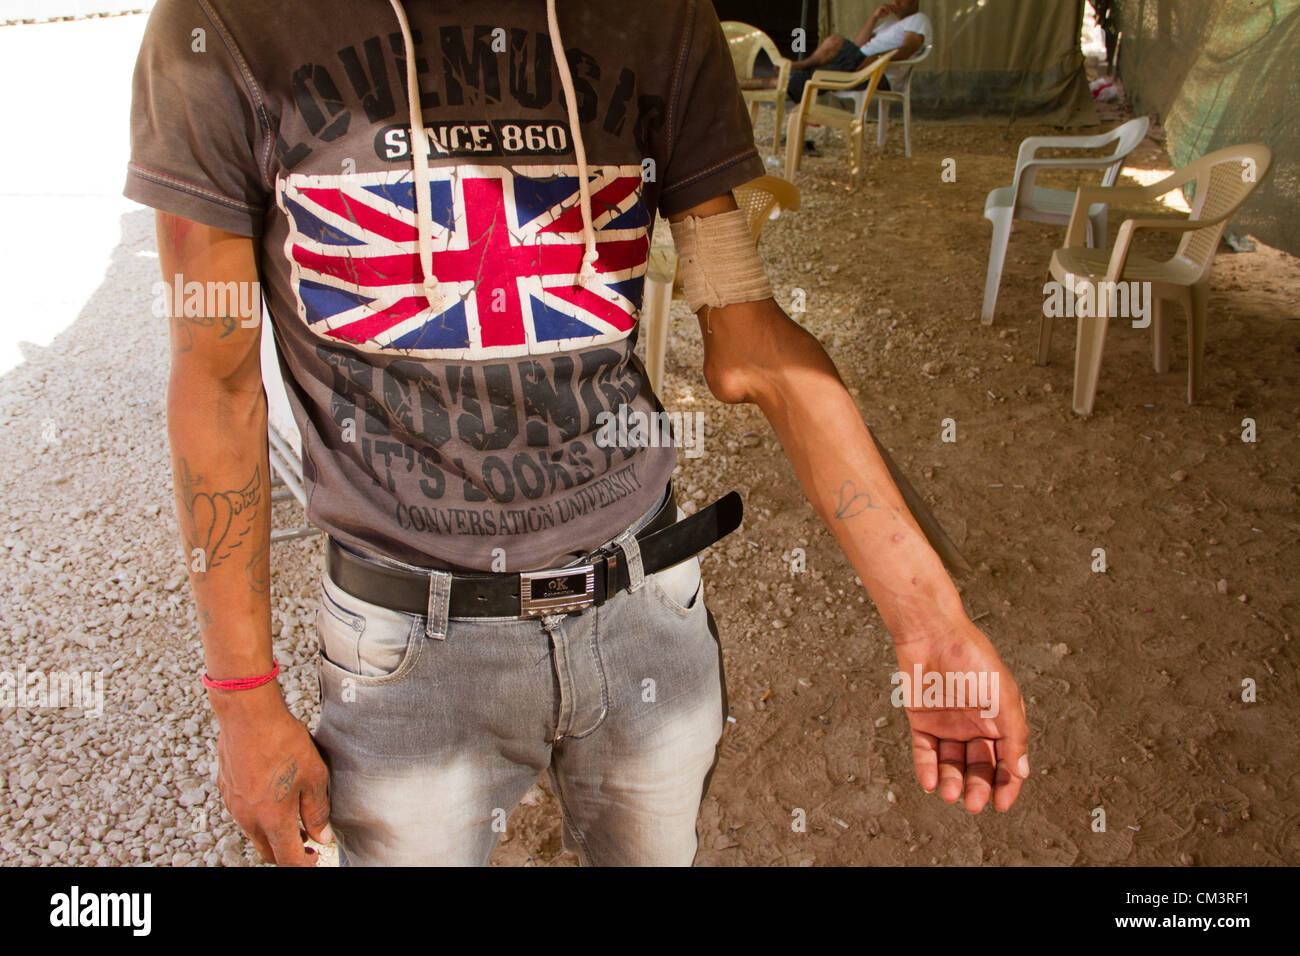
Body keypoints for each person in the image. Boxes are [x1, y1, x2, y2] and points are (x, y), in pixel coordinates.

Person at [126, 0, 1027, 867]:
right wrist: (243, 702)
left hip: (643, 609)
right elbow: (217, 383)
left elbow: (750, 343)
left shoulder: (660, 17)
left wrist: (931, 623)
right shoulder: (223, 27)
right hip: (406, 646)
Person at [788, 1, 932, 104]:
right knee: (811, 76)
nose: (896, 2)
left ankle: (800, 67)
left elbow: (907, 49)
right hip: (859, 61)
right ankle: (785, 82)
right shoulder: (889, 24)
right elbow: (859, 44)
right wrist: (874, 17)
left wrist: (877, 58)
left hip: (877, 73)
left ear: (914, 1)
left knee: (835, 42)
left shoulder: (918, 19)